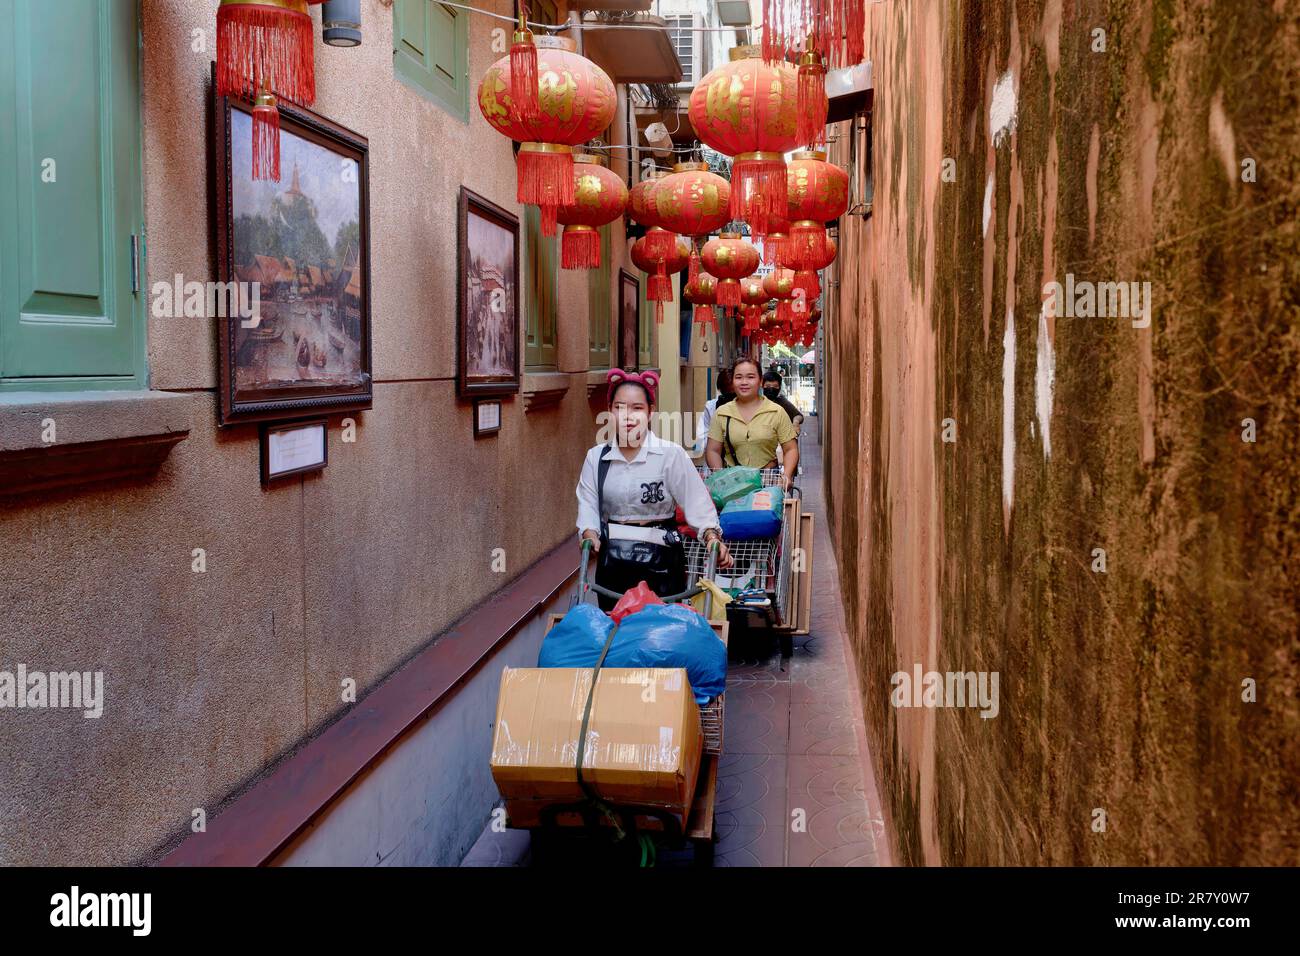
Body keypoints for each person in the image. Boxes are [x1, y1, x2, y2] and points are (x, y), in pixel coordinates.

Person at [577, 368, 733, 611]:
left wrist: (711, 536)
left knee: (659, 635)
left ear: (650, 412)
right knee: (617, 633)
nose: (628, 415)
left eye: (637, 408)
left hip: (662, 561)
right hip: (613, 563)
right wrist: (589, 533)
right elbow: (587, 503)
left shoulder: (670, 455)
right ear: (610, 410)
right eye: (620, 407)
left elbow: (696, 501)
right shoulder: (596, 458)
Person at [705, 358, 800, 492]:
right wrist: (721, 478)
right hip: (733, 484)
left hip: (768, 482)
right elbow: (713, 450)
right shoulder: (722, 413)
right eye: (738, 377)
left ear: (760, 381)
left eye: (750, 377)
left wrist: (786, 476)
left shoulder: (776, 411)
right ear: (733, 381)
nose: (744, 382)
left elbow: (790, 448)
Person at [693, 368, 735, 455]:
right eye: (726, 392)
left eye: (733, 393)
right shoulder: (711, 406)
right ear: (720, 389)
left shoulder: (747, 406)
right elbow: (701, 437)